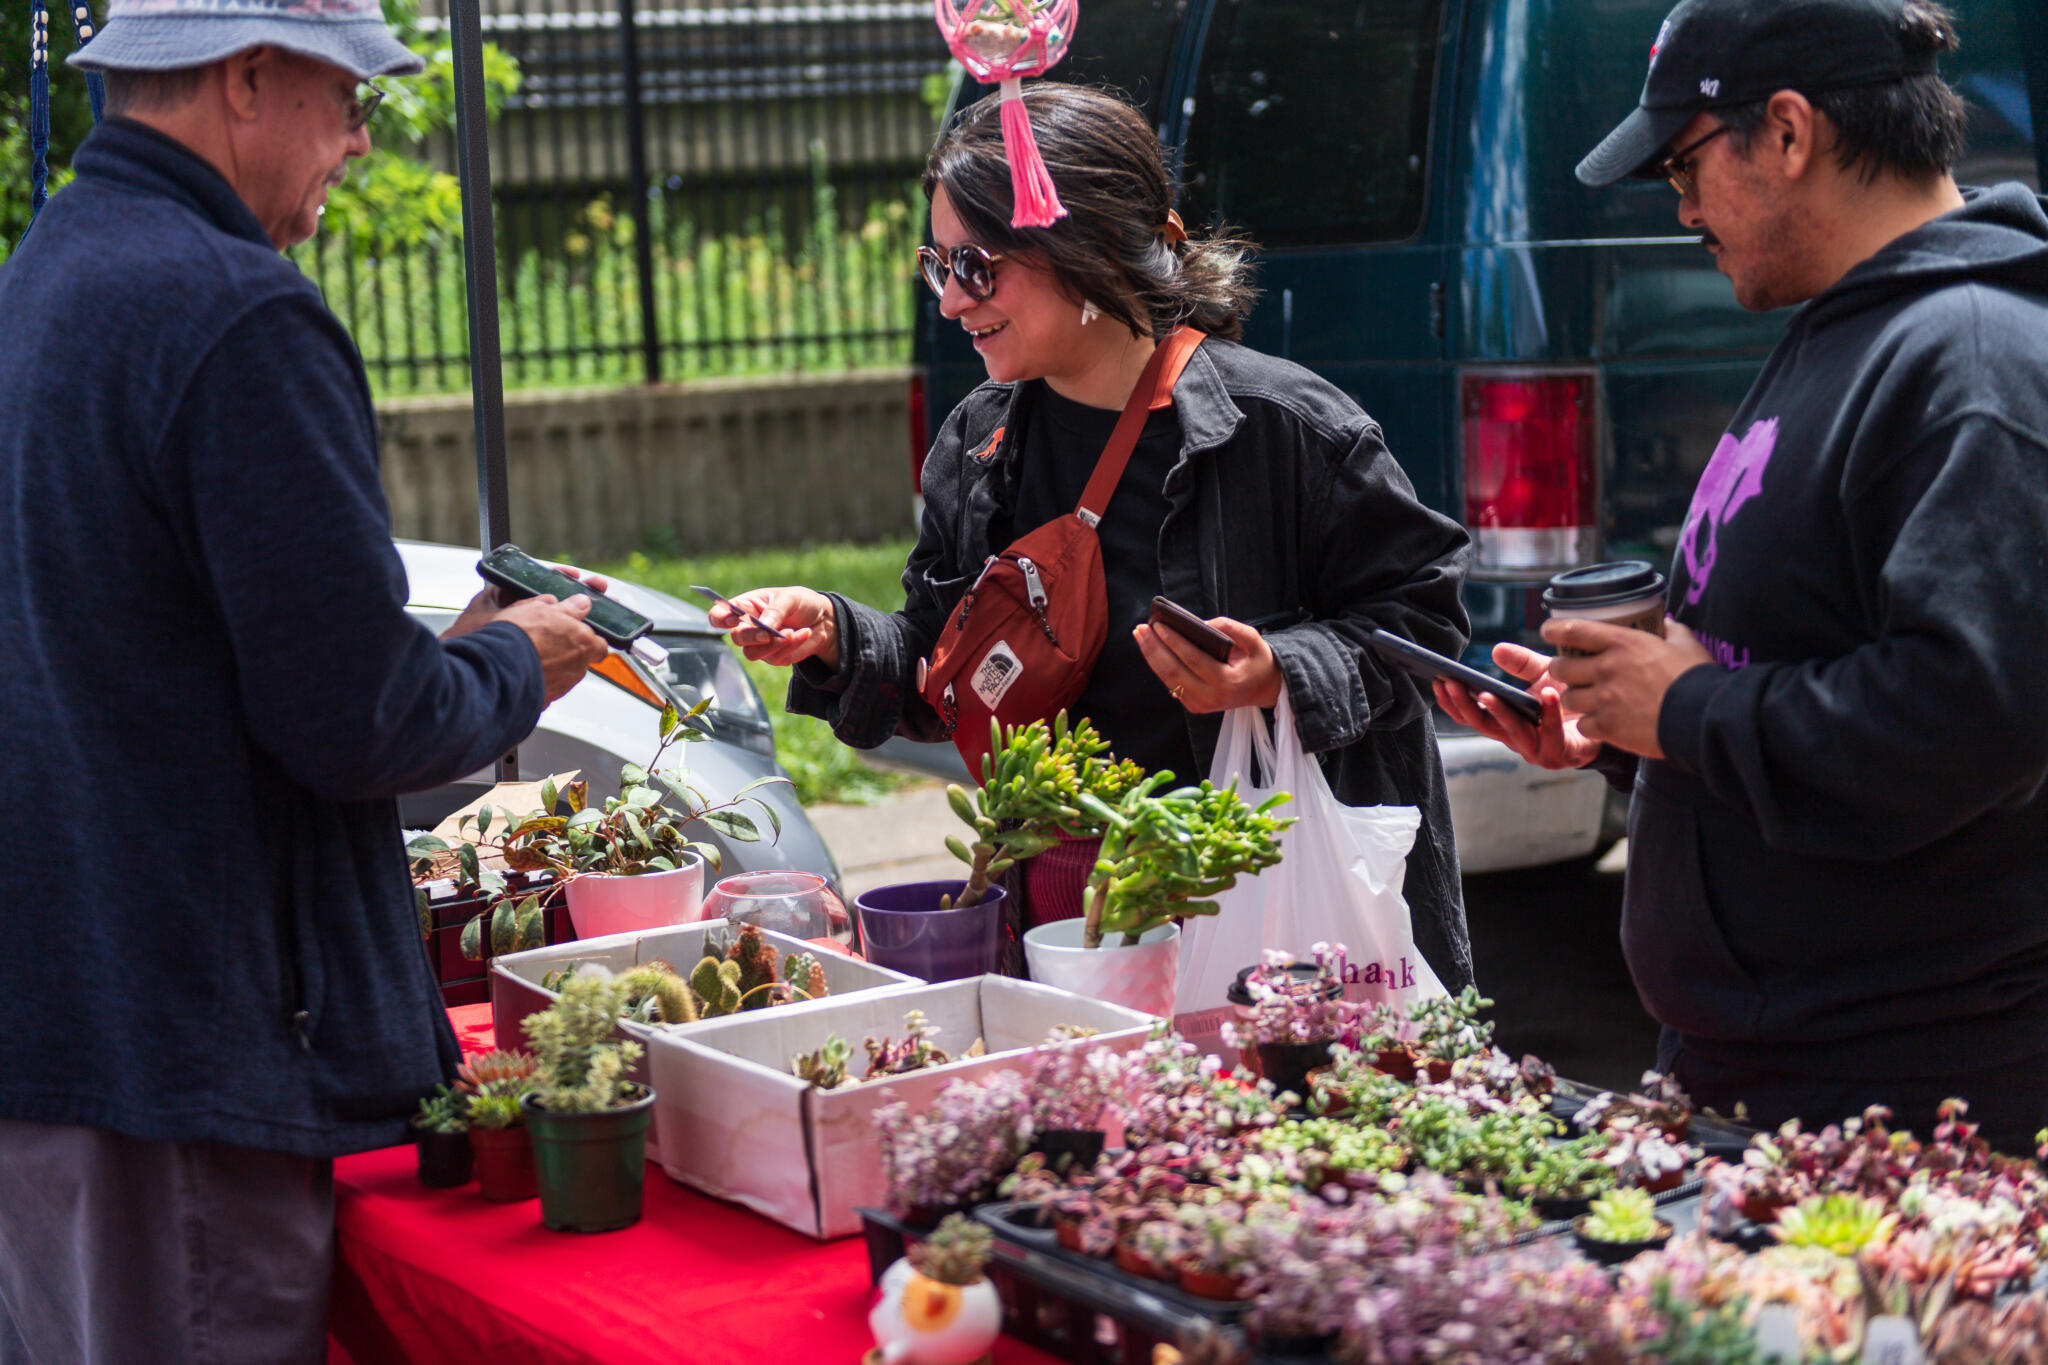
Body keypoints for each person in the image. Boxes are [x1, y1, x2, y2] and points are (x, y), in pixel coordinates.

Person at [0, 1, 612, 1358]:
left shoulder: (48, 267)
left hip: (70, 1012)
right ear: (247, 77)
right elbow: (358, 723)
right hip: (183, 1047)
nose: (354, 139)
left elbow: (185, 660)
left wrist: (441, 659)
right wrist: (520, 659)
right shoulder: (235, 313)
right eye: (349, 100)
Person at [1436, 0, 2048, 1151]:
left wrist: (1688, 709)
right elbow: (1785, 654)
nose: (1678, 211)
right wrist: (1623, 728)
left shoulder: (1971, 358)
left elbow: (1967, 723)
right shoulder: (1844, 329)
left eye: (1682, 165)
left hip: (1906, 1088)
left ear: (1783, 132)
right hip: (1765, 1057)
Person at [713, 84, 1476, 986]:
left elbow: (1423, 625)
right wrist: (836, 633)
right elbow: (942, 666)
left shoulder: (1284, 427)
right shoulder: (979, 441)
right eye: (939, 264)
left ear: (1086, 248)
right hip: (1062, 927)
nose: (952, 303)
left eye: (978, 267)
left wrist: (1279, 668)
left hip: (1267, 919)